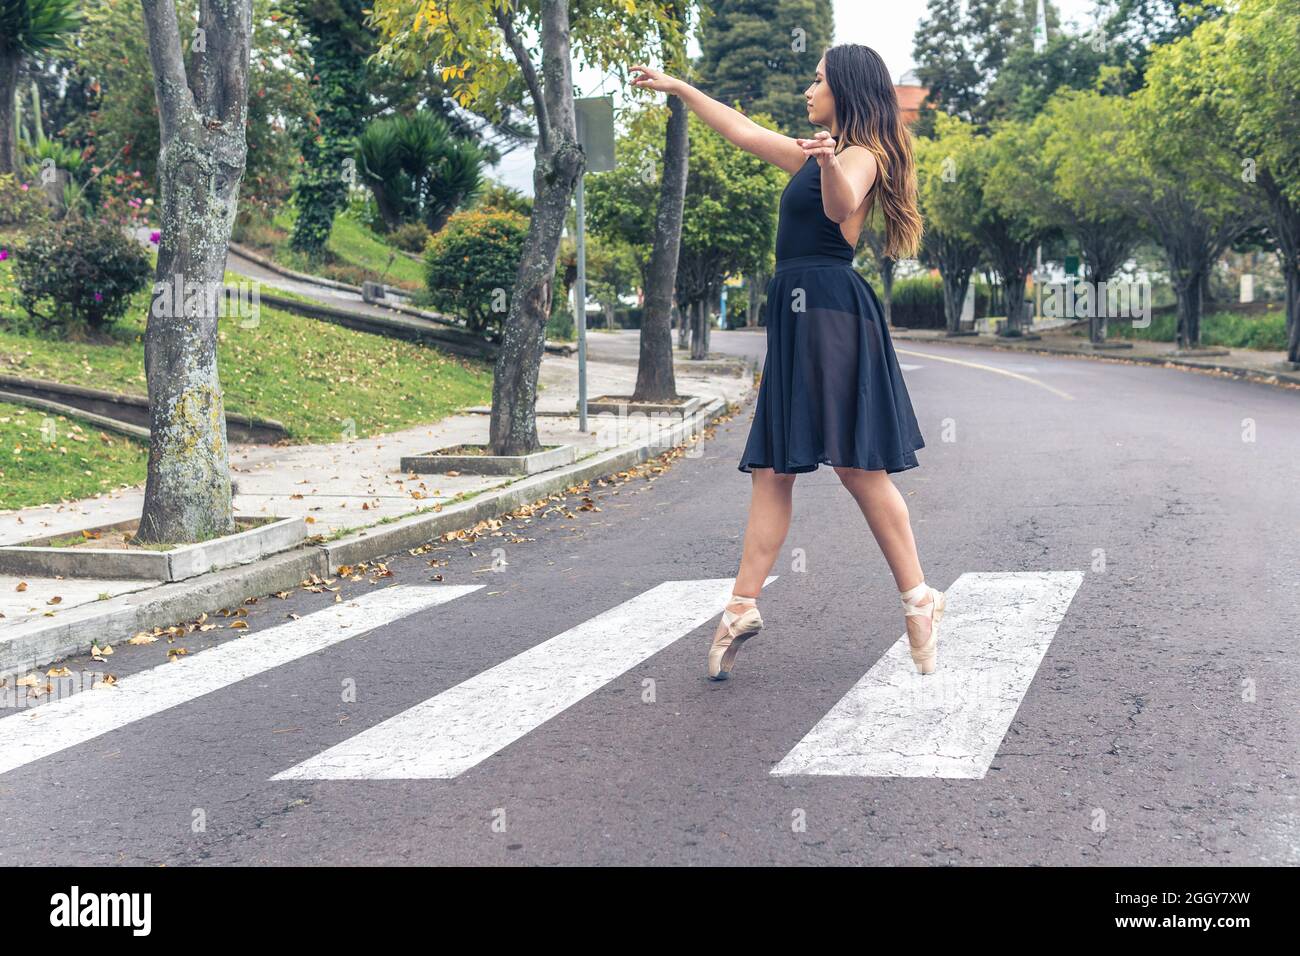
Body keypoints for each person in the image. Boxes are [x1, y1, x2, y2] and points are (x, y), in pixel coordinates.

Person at [629, 43, 946, 682]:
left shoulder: (860, 154)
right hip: (800, 313)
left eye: (819, 80)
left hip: (828, 309)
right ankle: (743, 604)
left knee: (859, 467)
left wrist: (830, 163)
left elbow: (839, 205)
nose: (809, 89)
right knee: (773, 467)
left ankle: (919, 598)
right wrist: (682, 88)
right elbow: (744, 131)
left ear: (846, 92)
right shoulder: (814, 153)